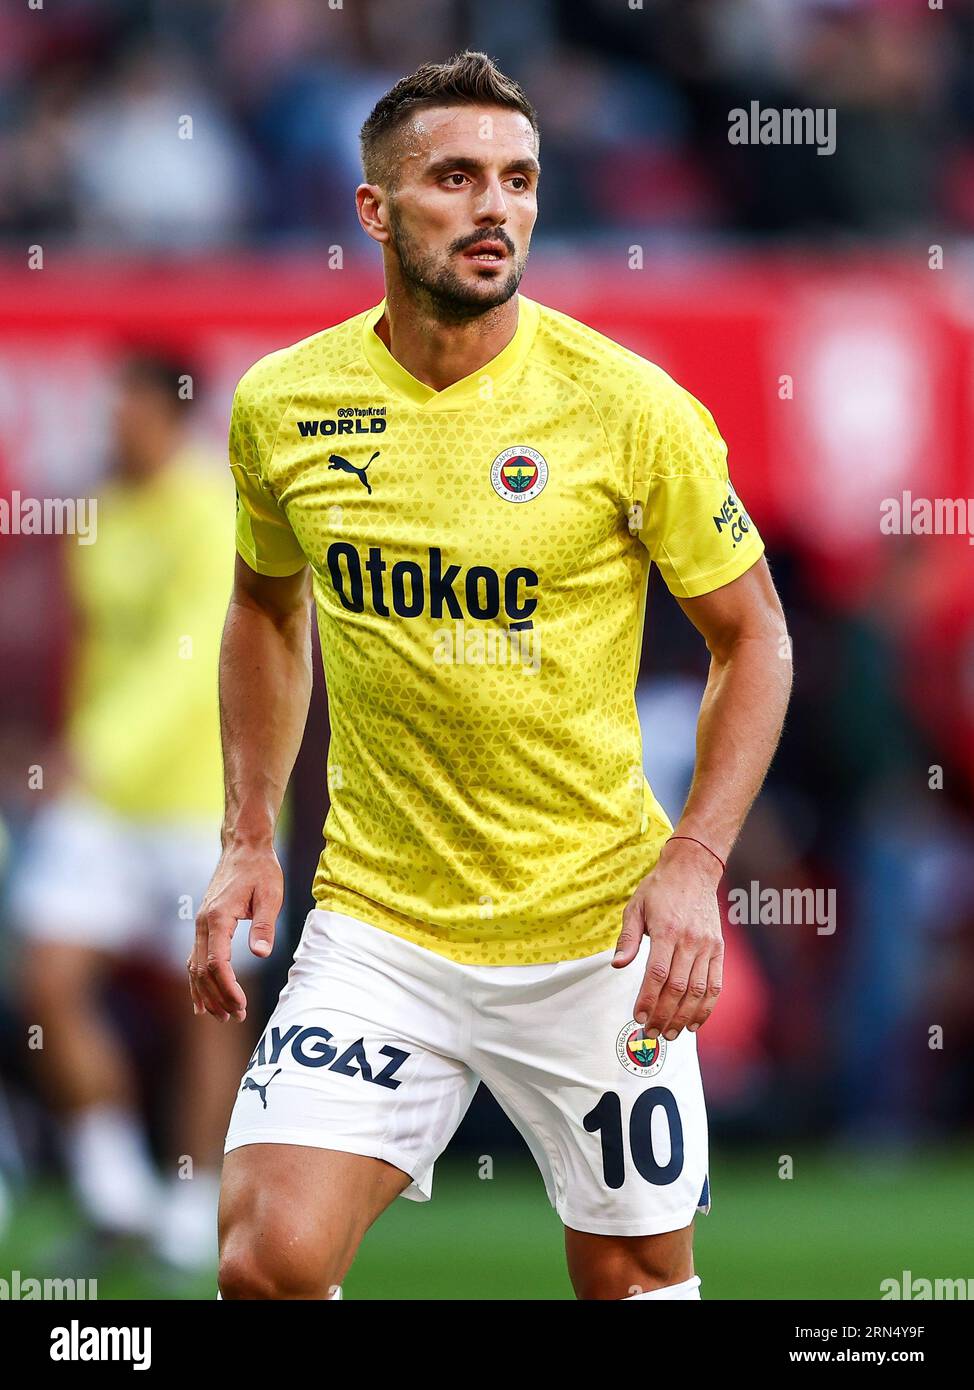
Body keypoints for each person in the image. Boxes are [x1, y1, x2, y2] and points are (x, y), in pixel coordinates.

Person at [198, 51, 792, 1301]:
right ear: (372, 208)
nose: (494, 208)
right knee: (265, 1262)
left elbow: (757, 640)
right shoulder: (284, 407)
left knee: (631, 1278)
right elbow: (263, 604)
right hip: (378, 926)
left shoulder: (628, 408)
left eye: (518, 179)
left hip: (594, 929)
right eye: (455, 177)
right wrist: (249, 833)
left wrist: (694, 861)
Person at [14, 351, 259, 1270]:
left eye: (126, 405)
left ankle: (193, 1206)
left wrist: (93, 750)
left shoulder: (211, 508)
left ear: (170, 412)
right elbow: (99, 652)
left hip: (200, 800)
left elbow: (191, 660)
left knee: (209, 1002)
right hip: (104, 802)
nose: (111, 423)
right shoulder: (99, 511)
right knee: (46, 975)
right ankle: (116, 1188)